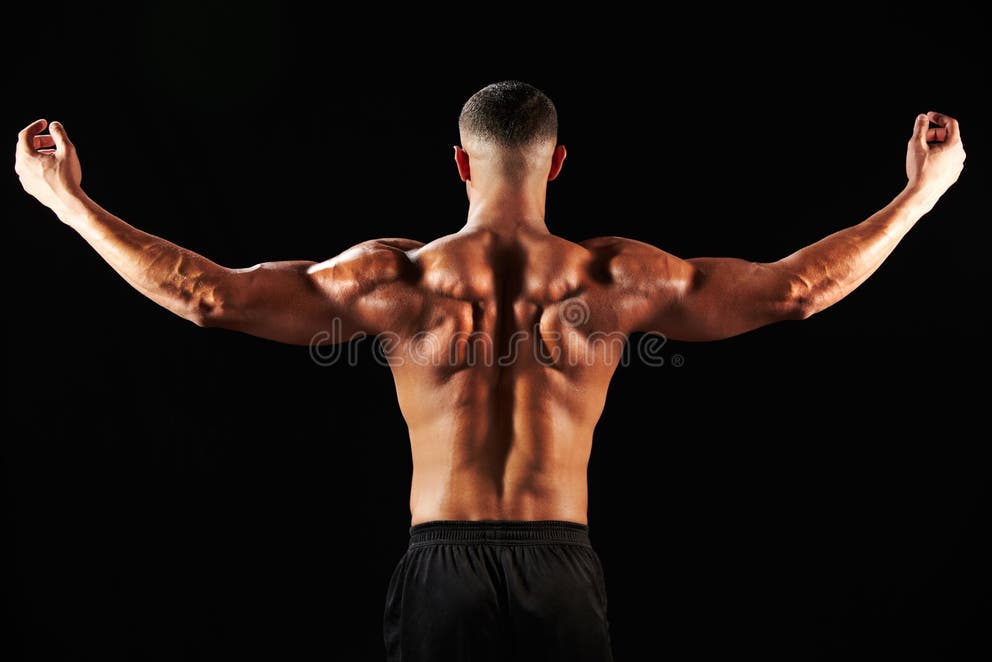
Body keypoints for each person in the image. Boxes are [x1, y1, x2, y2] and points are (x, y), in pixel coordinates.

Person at [15, 81, 965, 661]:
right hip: (562, 563)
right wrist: (920, 198)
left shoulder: (394, 278)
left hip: (442, 569)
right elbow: (793, 290)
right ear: (557, 164)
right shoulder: (614, 277)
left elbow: (208, 296)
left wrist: (70, 205)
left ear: (460, 166)